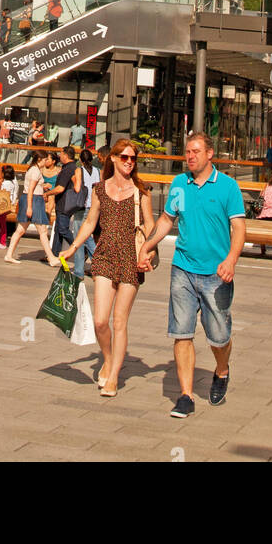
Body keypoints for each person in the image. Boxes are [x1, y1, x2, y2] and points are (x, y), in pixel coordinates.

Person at [138, 131, 246, 419]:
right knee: (181, 332)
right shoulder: (179, 184)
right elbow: (165, 220)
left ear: (210, 154)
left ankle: (221, 371)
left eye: (196, 151)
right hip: (183, 270)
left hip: (216, 274)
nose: (190, 156)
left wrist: (231, 260)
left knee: (218, 336)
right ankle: (185, 395)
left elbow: (238, 228)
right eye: (187, 152)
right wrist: (147, 246)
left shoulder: (228, 187)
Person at [60, 139, 154, 397]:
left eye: (132, 158)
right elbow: (90, 222)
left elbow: (149, 227)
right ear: (112, 158)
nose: (129, 162)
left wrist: (150, 250)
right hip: (104, 256)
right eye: (124, 157)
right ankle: (109, 358)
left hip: (130, 259)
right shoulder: (99, 189)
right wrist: (73, 247)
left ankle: (113, 376)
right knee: (101, 321)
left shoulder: (141, 192)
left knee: (119, 321)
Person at [4, 151, 58, 265]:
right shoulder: (35, 171)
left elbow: (31, 188)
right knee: (42, 231)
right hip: (34, 200)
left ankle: (9, 254)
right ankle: (51, 257)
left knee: (21, 230)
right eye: (44, 159)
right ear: (39, 160)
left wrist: (43, 187)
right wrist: (29, 207)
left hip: (32, 200)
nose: (46, 162)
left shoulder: (33, 169)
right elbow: (30, 190)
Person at [45, 146, 85, 268]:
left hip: (64, 204)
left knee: (62, 229)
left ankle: (79, 248)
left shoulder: (68, 169)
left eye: (61, 154)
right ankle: (54, 255)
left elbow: (60, 188)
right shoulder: (70, 167)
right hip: (65, 203)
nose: (59, 156)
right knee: (58, 230)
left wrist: (47, 193)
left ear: (66, 156)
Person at [72, 148, 100, 275]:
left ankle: (79, 271)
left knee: (80, 238)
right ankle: (99, 265)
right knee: (87, 236)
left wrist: (73, 181)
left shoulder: (79, 170)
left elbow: (77, 188)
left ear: (80, 160)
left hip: (82, 207)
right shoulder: (98, 171)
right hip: (94, 207)